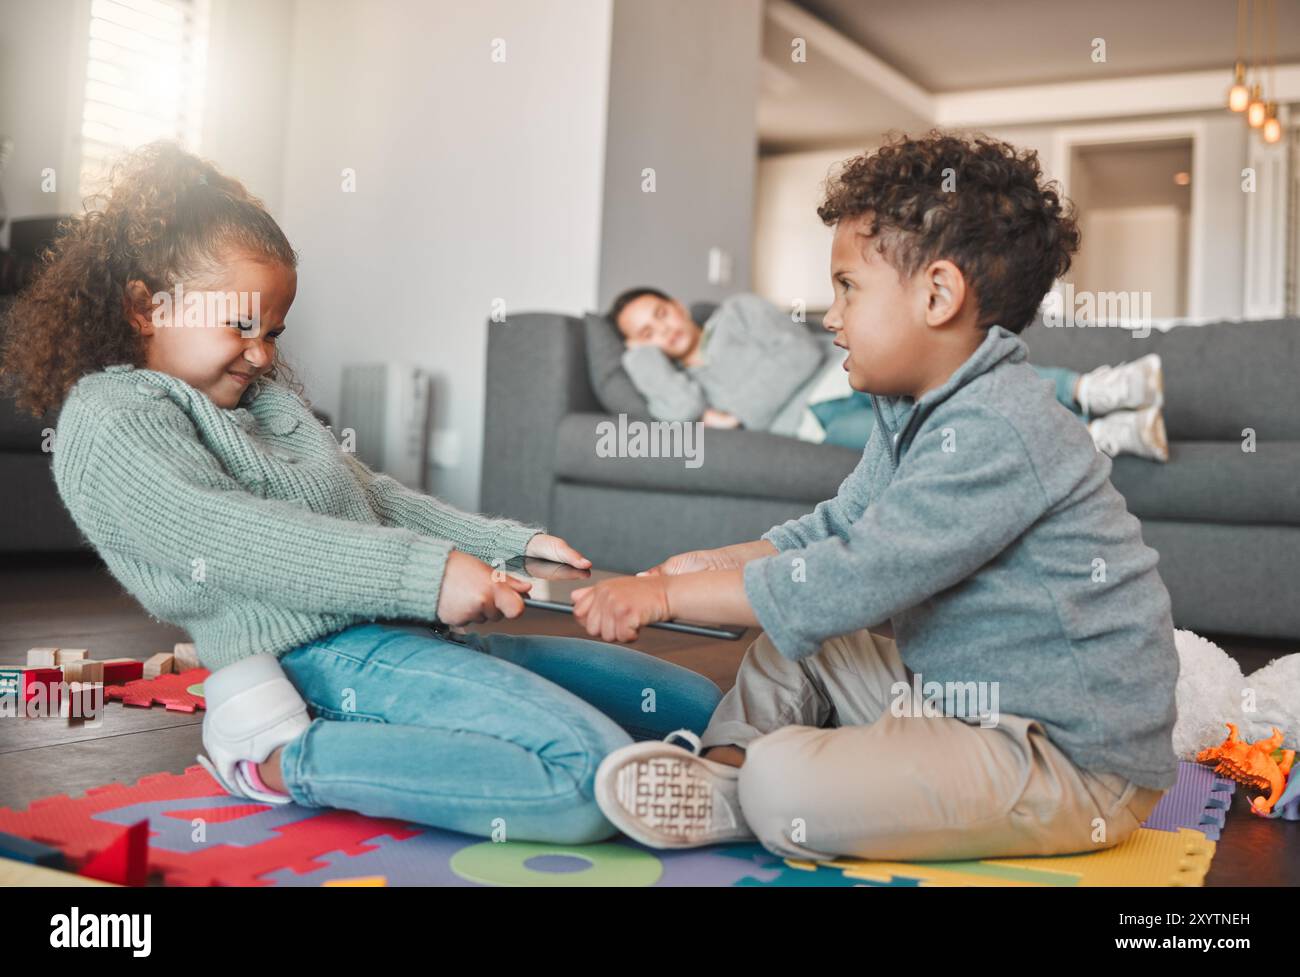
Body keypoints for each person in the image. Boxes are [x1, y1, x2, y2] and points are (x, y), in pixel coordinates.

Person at [1, 141, 721, 845]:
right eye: (242, 325)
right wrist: (426, 573)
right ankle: (277, 761)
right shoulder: (111, 416)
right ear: (146, 307)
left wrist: (510, 545)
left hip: (413, 633)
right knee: (583, 776)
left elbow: (368, 497)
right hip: (317, 656)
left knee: (704, 708)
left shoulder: (262, 400)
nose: (264, 352)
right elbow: (226, 535)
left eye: (274, 330)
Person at [572, 131, 1179, 862]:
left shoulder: (999, 425)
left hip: (1067, 759)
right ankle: (721, 774)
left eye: (847, 287)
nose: (830, 317)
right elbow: (830, 530)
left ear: (938, 294)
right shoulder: (910, 411)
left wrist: (665, 600)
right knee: (789, 650)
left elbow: (851, 575)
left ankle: (755, 787)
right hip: (954, 694)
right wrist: (694, 567)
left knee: (785, 779)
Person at [611, 286, 1168, 461]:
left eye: (659, 314)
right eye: (644, 334)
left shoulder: (736, 312)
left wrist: (742, 412)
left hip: (848, 372)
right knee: (943, 438)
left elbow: (797, 359)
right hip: (817, 427)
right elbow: (679, 413)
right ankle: (1104, 437)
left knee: (963, 383)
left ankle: (1096, 388)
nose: (661, 331)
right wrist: (644, 361)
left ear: (677, 305)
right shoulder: (684, 386)